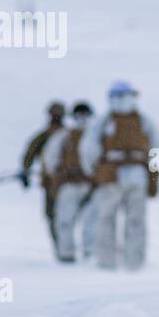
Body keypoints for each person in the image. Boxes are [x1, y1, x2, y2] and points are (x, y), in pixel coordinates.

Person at [80, 81, 159, 270]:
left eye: (126, 96)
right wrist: (96, 173)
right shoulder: (102, 123)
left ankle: (135, 264)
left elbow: (156, 149)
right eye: (118, 97)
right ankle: (106, 263)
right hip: (110, 178)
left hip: (137, 177)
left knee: (136, 220)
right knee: (106, 219)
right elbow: (89, 150)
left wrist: (155, 177)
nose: (123, 101)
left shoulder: (144, 122)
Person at [40, 101, 96, 263]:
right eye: (79, 116)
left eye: (86, 116)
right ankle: (66, 254)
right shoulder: (64, 136)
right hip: (69, 185)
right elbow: (50, 159)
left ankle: (91, 252)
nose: (82, 119)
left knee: (92, 221)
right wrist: (57, 178)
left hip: (93, 185)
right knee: (64, 220)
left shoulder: (98, 135)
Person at [20, 101, 66, 246]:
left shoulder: (69, 135)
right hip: (50, 182)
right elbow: (29, 155)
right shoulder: (43, 136)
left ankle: (66, 245)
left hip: (68, 181)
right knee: (52, 214)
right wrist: (25, 172)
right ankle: (60, 244)